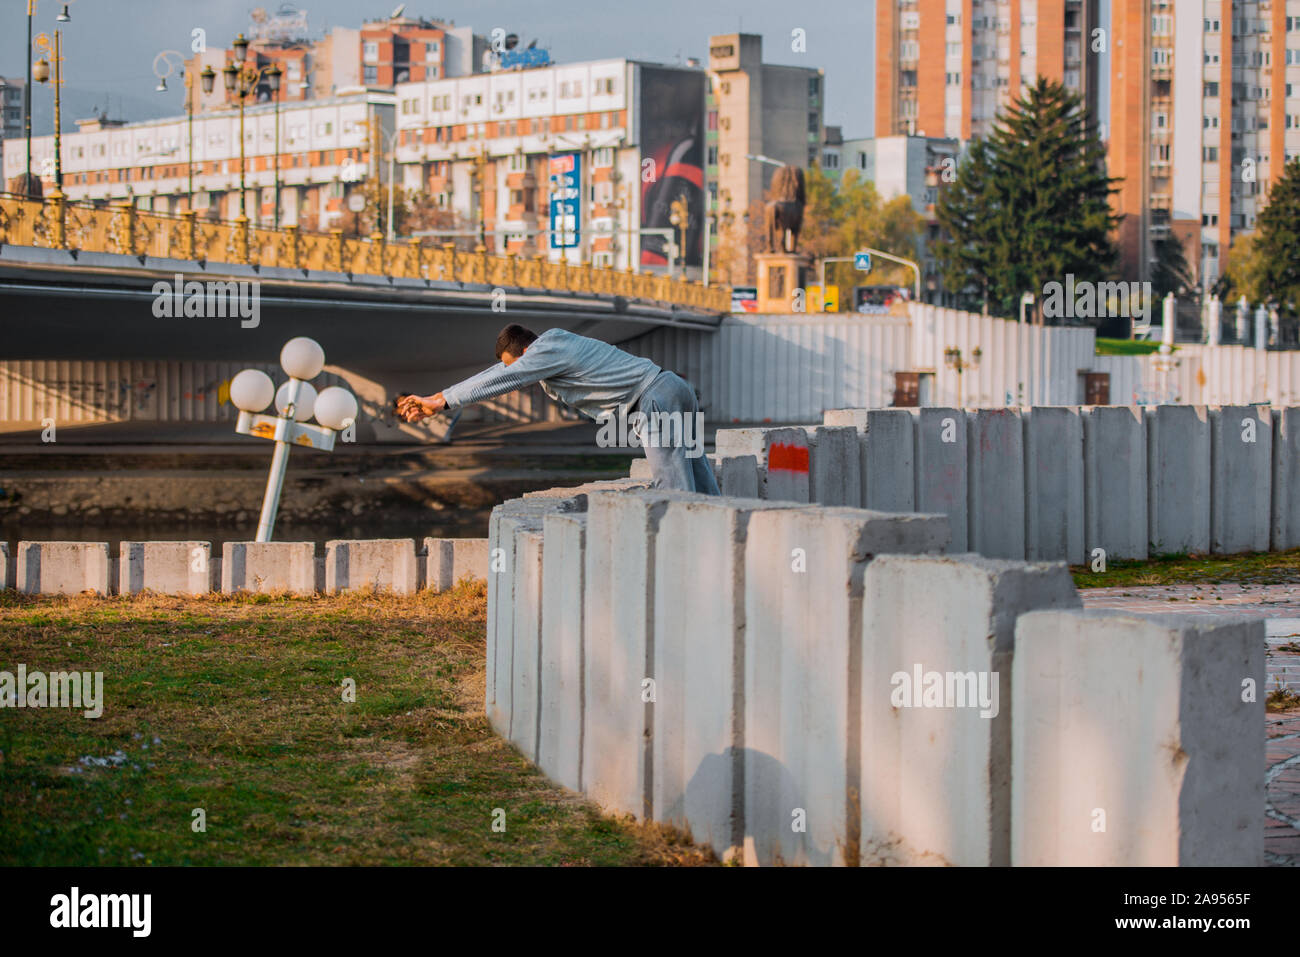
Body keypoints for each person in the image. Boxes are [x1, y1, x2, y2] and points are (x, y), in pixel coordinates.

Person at [396, 323, 720, 495]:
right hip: (671, 388)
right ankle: (716, 542)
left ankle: (683, 563)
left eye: (517, 367)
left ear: (526, 350)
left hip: (653, 400)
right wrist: (441, 395)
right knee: (699, 476)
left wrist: (442, 402)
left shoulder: (547, 347)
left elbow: (501, 379)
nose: (521, 378)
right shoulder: (558, 349)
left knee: (674, 486)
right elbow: (496, 374)